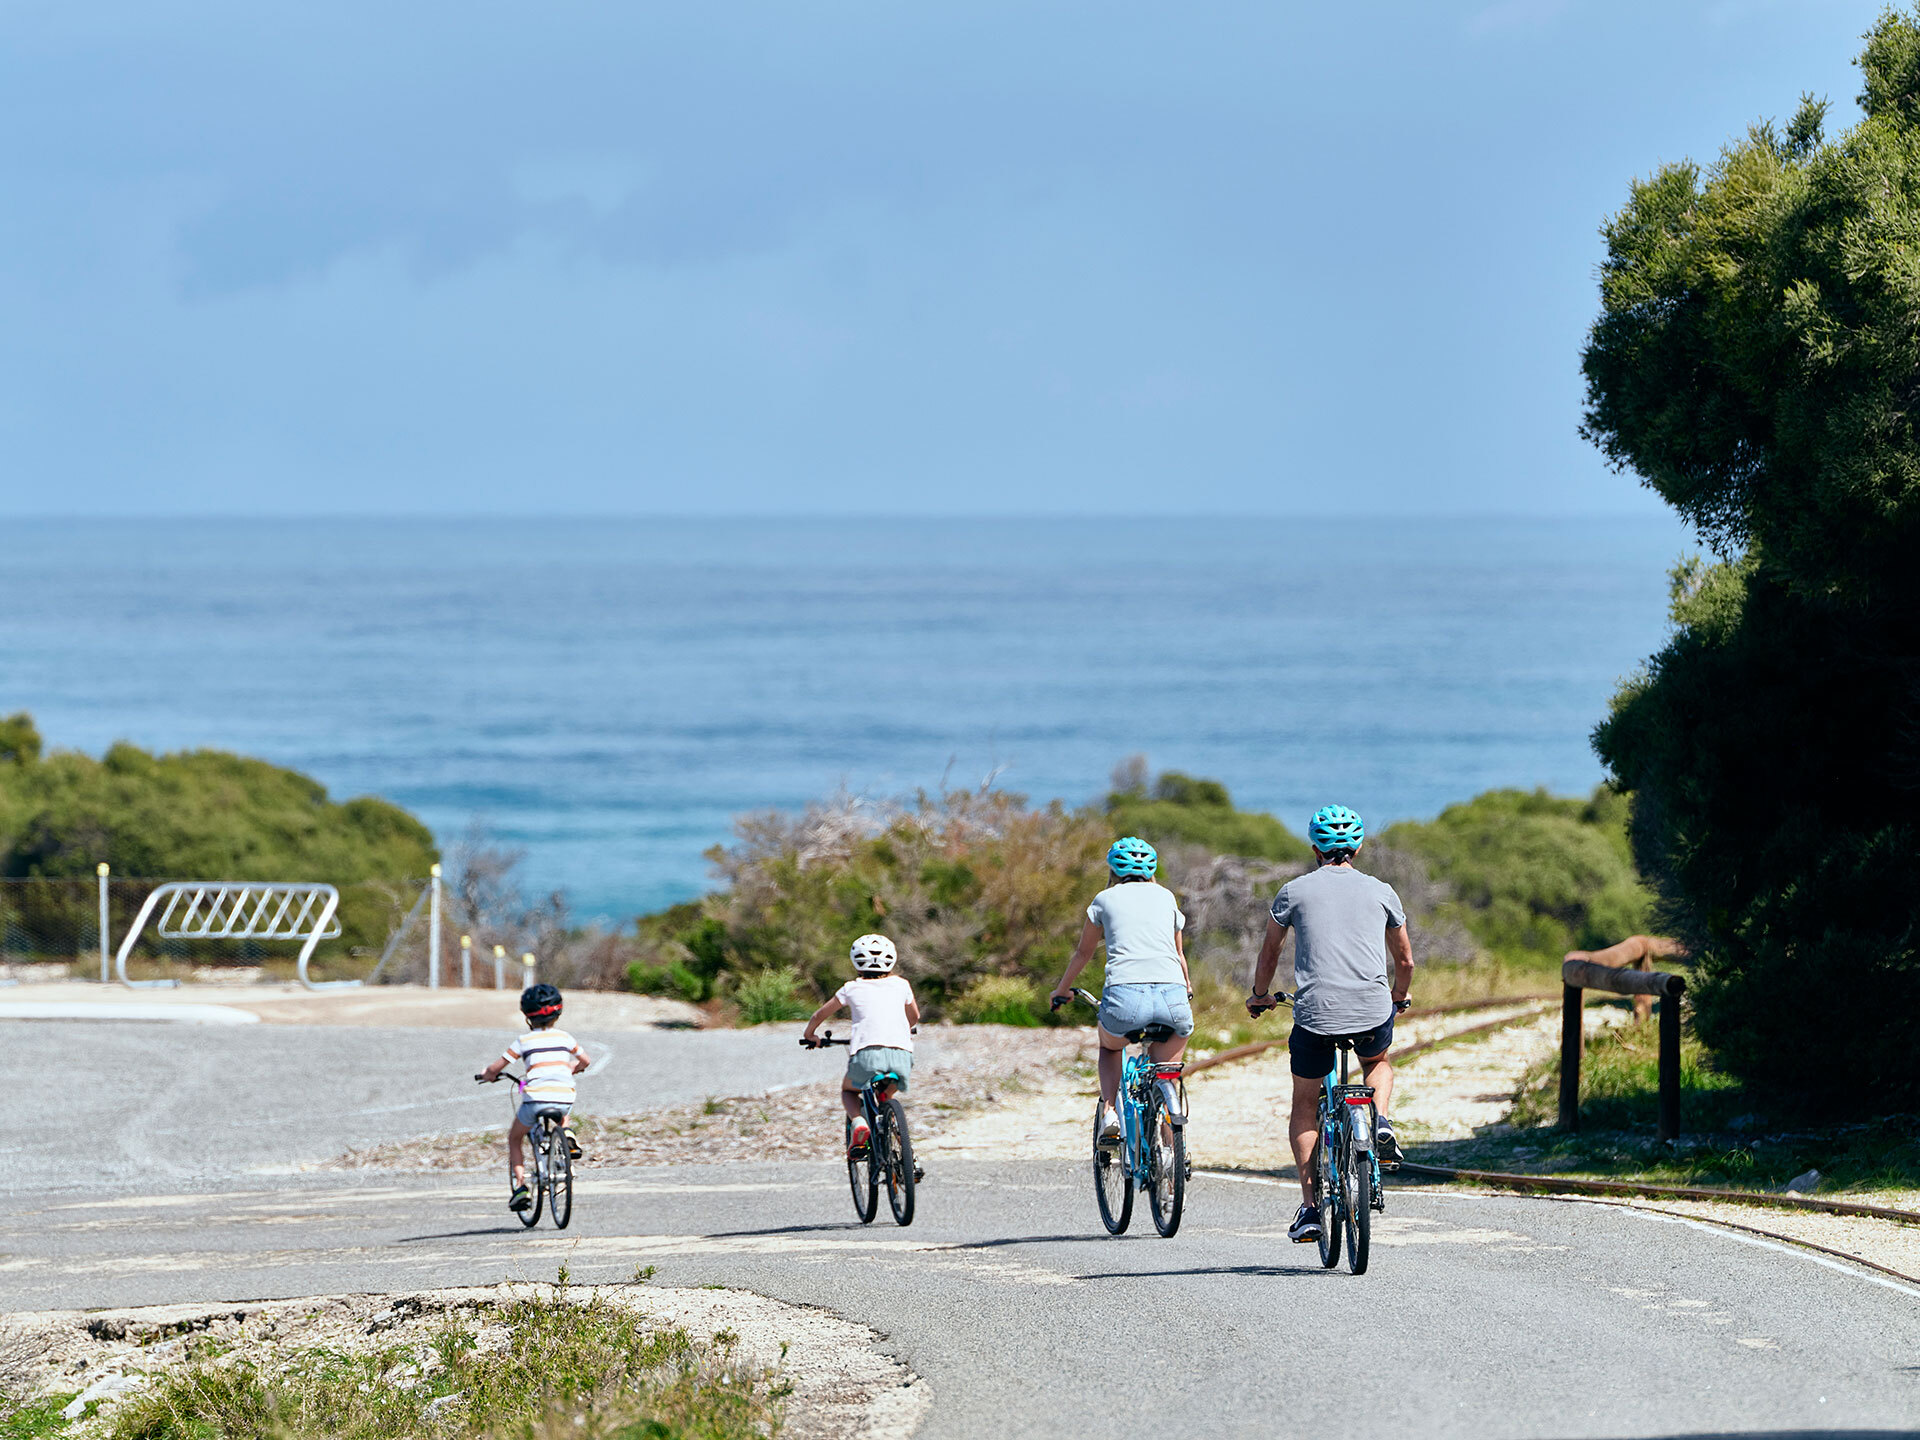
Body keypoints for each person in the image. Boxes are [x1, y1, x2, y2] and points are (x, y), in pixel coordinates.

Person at [1246, 805, 1413, 1244]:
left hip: (1316, 1014)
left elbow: (1269, 955)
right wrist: (1398, 997)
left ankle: (1310, 1209)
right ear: (1357, 847)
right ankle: (1379, 1120)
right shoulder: (1382, 891)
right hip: (1372, 1009)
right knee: (1376, 1061)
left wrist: (1261, 995)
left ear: (1315, 848)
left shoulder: (1293, 891)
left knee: (1305, 1103)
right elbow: (1405, 960)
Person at [1050, 836, 1194, 1147]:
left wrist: (1062, 990)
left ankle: (1111, 1112)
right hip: (1173, 996)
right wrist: (1188, 988)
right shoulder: (1167, 897)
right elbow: (1179, 954)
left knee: (1111, 1047)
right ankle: (1171, 1157)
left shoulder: (1103, 899)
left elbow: (1083, 953)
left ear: (1113, 869)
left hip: (1124, 996)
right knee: (1166, 1070)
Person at [476, 983, 591, 1213]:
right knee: (562, 1110)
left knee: (514, 1138)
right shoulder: (566, 1038)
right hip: (564, 1096)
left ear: (527, 1015)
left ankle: (520, 1187)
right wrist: (573, 1068)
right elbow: (585, 1061)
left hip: (535, 1099)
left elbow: (497, 1066)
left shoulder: (523, 1042)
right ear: (558, 1012)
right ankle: (566, 1133)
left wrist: (488, 1075)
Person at [802, 934, 921, 1152]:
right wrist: (905, 1028)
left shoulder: (850, 988)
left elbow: (819, 1015)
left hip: (866, 1055)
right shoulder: (902, 984)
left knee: (849, 1090)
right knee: (886, 1095)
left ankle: (858, 1122)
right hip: (902, 1056)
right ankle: (908, 1156)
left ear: (855, 962)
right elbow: (914, 1017)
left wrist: (811, 1035)